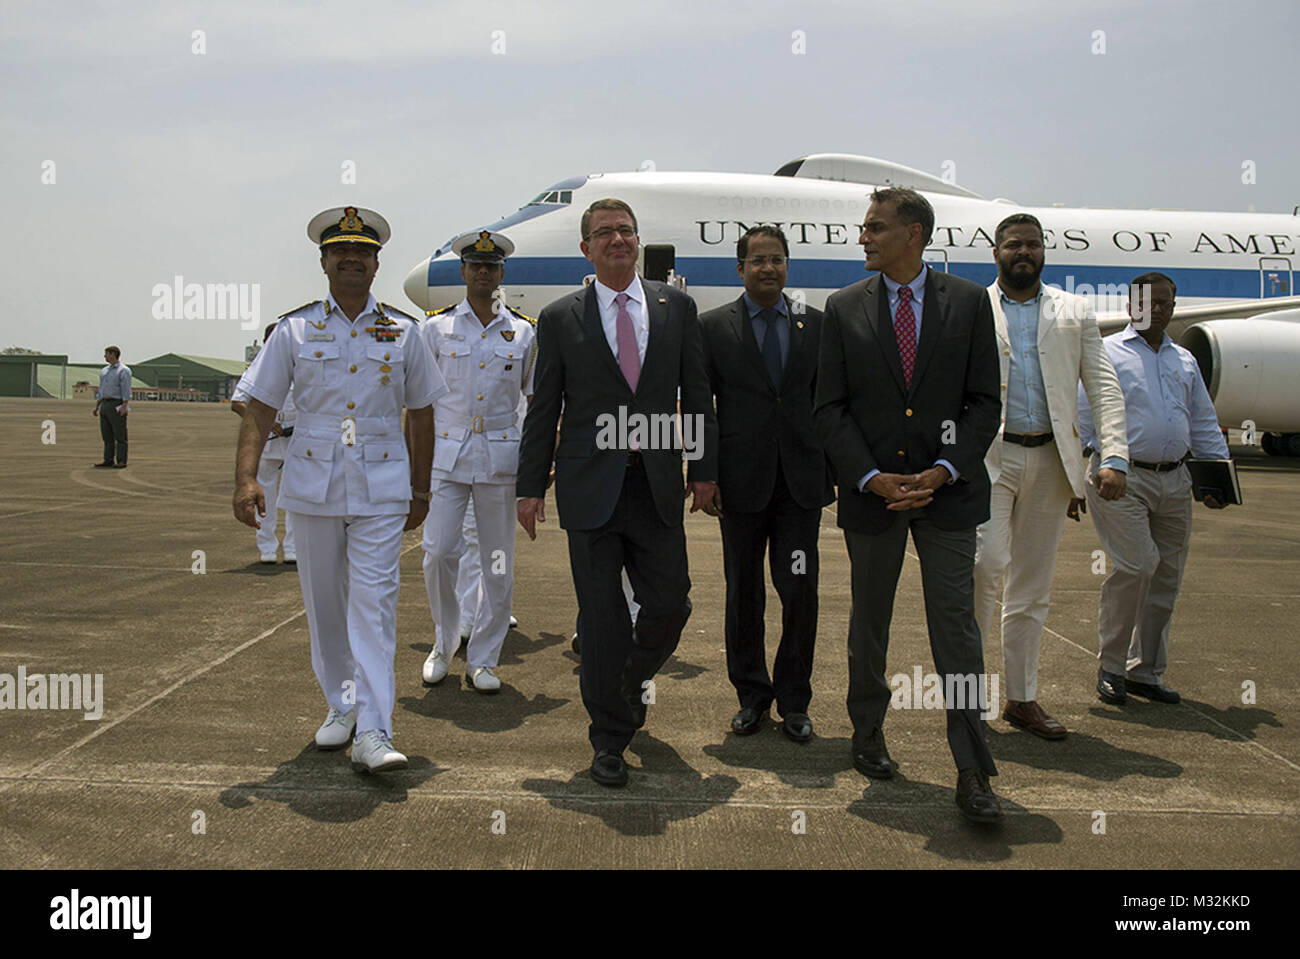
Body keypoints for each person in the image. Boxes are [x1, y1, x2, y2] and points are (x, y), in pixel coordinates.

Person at [232, 205, 446, 773]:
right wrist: (247, 477)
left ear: (377, 264)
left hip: (382, 488)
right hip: (311, 484)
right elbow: (259, 407)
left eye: (362, 253)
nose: (351, 259)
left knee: (373, 606)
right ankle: (342, 705)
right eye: (340, 252)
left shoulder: (405, 331)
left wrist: (420, 491)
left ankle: (375, 730)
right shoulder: (294, 329)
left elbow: (422, 413)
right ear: (324, 262)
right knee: (324, 605)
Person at [814, 186, 1004, 823]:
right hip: (875, 499)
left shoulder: (971, 304)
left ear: (914, 233)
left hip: (948, 496)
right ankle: (866, 732)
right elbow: (829, 409)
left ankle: (973, 768)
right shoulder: (842, 309)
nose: (863, 237)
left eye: (874, 227)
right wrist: (870, 477)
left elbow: (984, 402)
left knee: (957, 631)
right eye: (863, 228)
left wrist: (946, 468)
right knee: (869, 623)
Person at [516, 198, 718, 788]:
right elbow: (543, 407)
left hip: (654, 484)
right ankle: (608, 737)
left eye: (626, 231)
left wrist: (703, 469)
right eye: (604, 233)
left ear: (637, 240)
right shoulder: (559, 318)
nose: (618, 240)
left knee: (670, 602)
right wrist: (530, 486)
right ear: (586, 249)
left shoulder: (676, 308)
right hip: (589, 487)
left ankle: (625, 684)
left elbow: (698, 393)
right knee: (601, 618)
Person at [973, 214, 1128, 740]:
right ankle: (968, 701)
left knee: (1032, 587)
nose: (1024, 252)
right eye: (1013, 244)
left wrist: (1114, 456)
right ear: (995, 251)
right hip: (988, 462)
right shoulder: (972, 307)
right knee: (984, 567)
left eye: (1032, 245)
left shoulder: (1074, 311)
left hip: (1050, 462)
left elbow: (1103, 387)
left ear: (1044, 251)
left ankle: (1021, 699)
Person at [700, 225, 833, 742]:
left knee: (799, 591)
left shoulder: (815, 326)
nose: (768, 268)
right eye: (757, 260)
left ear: (787, 267)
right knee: (744, 593)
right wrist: (704, 474)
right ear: (740, 268)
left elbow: (829, 403)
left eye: (776, 259)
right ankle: (752, 696)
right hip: (741, 486)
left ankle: (795, 701)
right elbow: (701, 410)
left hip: (799, 484)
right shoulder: (712, 328)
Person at [1080, 272, 1229, 706]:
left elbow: (1202, 422)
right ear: (1131, 306)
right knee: (1137, 565)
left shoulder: (1184, 360)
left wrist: (1215, 479)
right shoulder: (1107, 353)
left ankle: (1145, 670)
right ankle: (1111, 667)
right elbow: (1084, 416)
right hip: (1121, 477)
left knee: (1166, 576)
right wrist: (1088, 467)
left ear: (1173, 307)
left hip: (1176, 480)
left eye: (1166, 303)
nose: (1158, 310)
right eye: (1149, 303)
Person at [416, 230, 536, 693]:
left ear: (501, 273)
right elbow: (421, 402)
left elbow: (535, 400)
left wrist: (535, 463)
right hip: (447, 456)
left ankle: (485, 658)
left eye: (492, 266)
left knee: (498, 562)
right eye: (475, 265)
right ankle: (444, 644)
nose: (484, 272)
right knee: (439, 552)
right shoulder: (435, 329)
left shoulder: (523, 331)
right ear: (463, 271)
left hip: (501, 459)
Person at [231, 323, 297, 563]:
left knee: (295, 497)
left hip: (296, 441)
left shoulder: (301, 367)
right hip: (269, 441)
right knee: (264, 498)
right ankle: (267, 549)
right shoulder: (258, 369)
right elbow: (238, 402)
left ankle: (292, 548)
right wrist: (266, 424)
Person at [93, 346, 131, 468]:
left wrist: (125, 405)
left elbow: (126, 389)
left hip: (117, 403)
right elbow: (101, 389)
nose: (105, 356)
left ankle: (121, 460)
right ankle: (108, 459)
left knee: (120, 435)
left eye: (107, 354)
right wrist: (97, 405)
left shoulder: (123, 370)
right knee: (107, 435)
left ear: (113, 354)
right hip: (105, 403)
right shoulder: (104, 371)